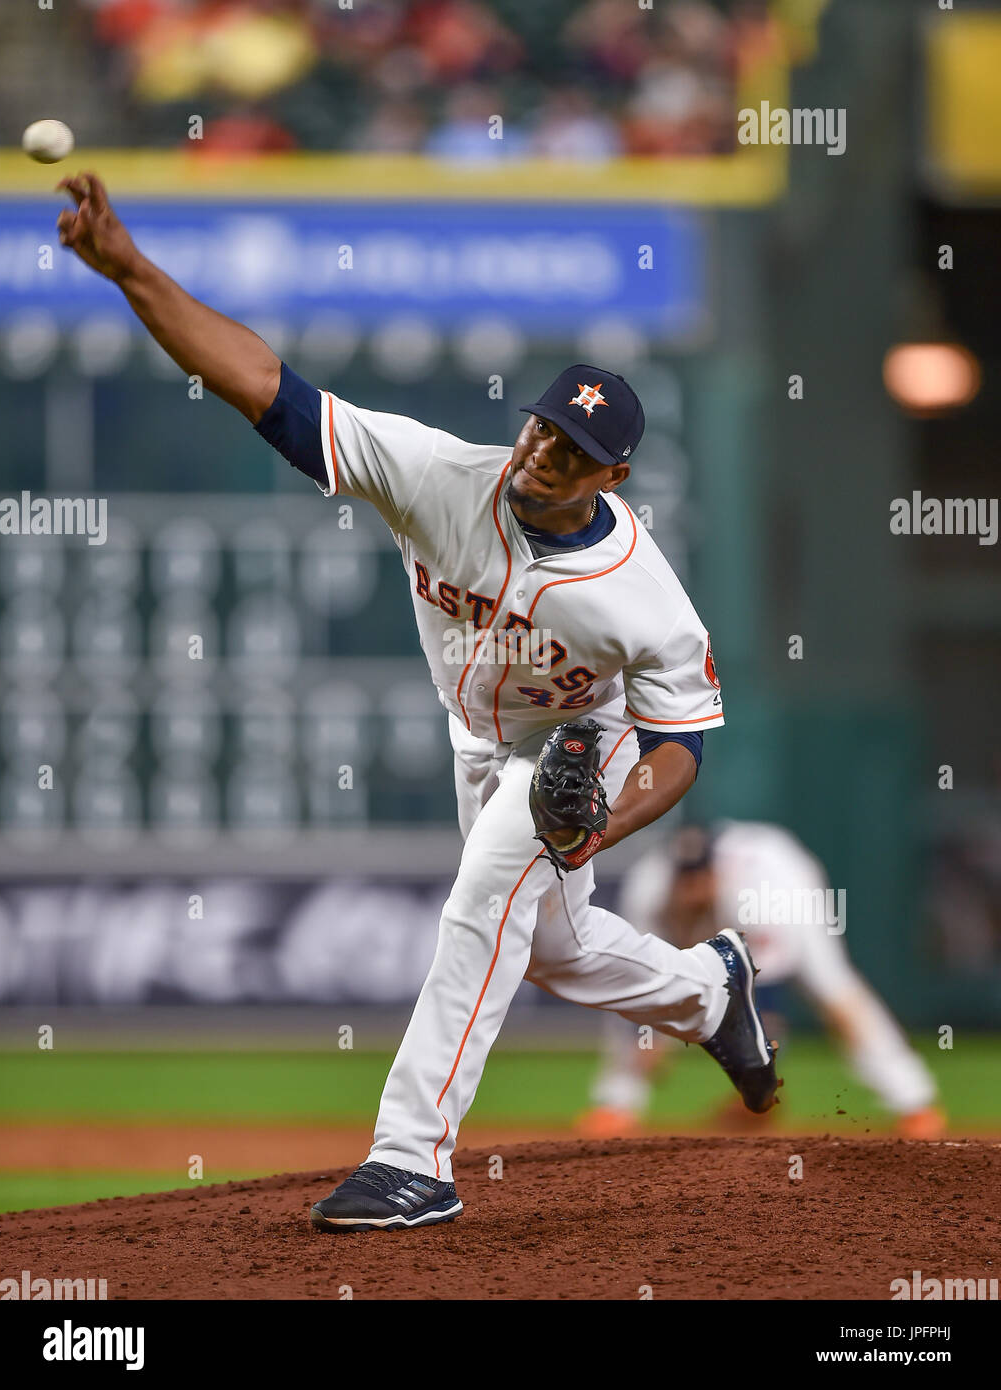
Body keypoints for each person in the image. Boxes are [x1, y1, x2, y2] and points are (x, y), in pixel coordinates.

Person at [56, 172, 780, 1233]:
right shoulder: (440, 476)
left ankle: (412, 1159)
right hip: (477, 736)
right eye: (540, 429)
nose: (541, 454)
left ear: (611, 475)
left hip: (579, 745)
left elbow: (681, 750)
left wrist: (600, 818)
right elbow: (263, 382)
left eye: (571, 453)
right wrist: (129, 271)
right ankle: (712, 994)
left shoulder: (645, 599)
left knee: (482, 905)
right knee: (556, 950)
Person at [579, 822, 946, 1140]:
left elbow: (765, 1007)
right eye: (684, 880)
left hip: (784, 881)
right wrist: (652, 1040)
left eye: (700, 878)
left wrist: (757, 1088)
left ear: (715, 874)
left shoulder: (759, 897)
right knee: (641, 1008)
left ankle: (914, 1102)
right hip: (721, 905)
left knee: (831, 987)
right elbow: (638, 988)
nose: (691, 888)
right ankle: (617, 1104)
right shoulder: (649, 891)